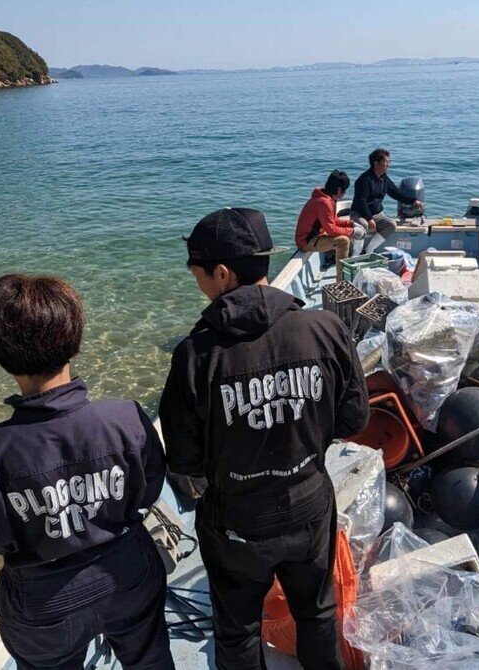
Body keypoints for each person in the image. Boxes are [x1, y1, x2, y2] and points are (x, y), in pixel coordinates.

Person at [159, 208, 370, 670]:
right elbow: (354, 419)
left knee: (238, 633)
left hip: (236, 523)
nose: (197, 284)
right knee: (317, 614)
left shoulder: (195, 356)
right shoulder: (326, 329)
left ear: (221, 273)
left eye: (197, 274)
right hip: (308, 505)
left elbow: (185, 461)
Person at [0, 273, 173, 670]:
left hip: (42, 604)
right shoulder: (126, 419)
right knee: (150, 661)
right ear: (75, 338)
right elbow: (148, 490)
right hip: (129, 574)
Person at [350, 147, 423, 254]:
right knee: (363, 224)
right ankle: (355, 254)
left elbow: (395, 193)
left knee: (391, 225)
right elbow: (362, 201)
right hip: (359, 213)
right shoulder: (364, 180)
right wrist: (369, 218)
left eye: (389, 162)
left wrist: (413, 201)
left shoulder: (384, 178)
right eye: (386, 162)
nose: (388, 165)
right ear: (376, 163)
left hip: (377, 214)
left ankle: (369, 250)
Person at [295, 170, 359, 277]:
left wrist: (352, 224)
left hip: (316, 236)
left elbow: (334, 220)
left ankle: (334, 260)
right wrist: (352, 232)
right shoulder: (324, 202)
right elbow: (331, 230)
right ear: (339, 190)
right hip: (306, 242)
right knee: (343, 241)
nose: (345, 193)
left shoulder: (327, 198)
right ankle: (341, 280)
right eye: (345, 190)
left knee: (344, 234)